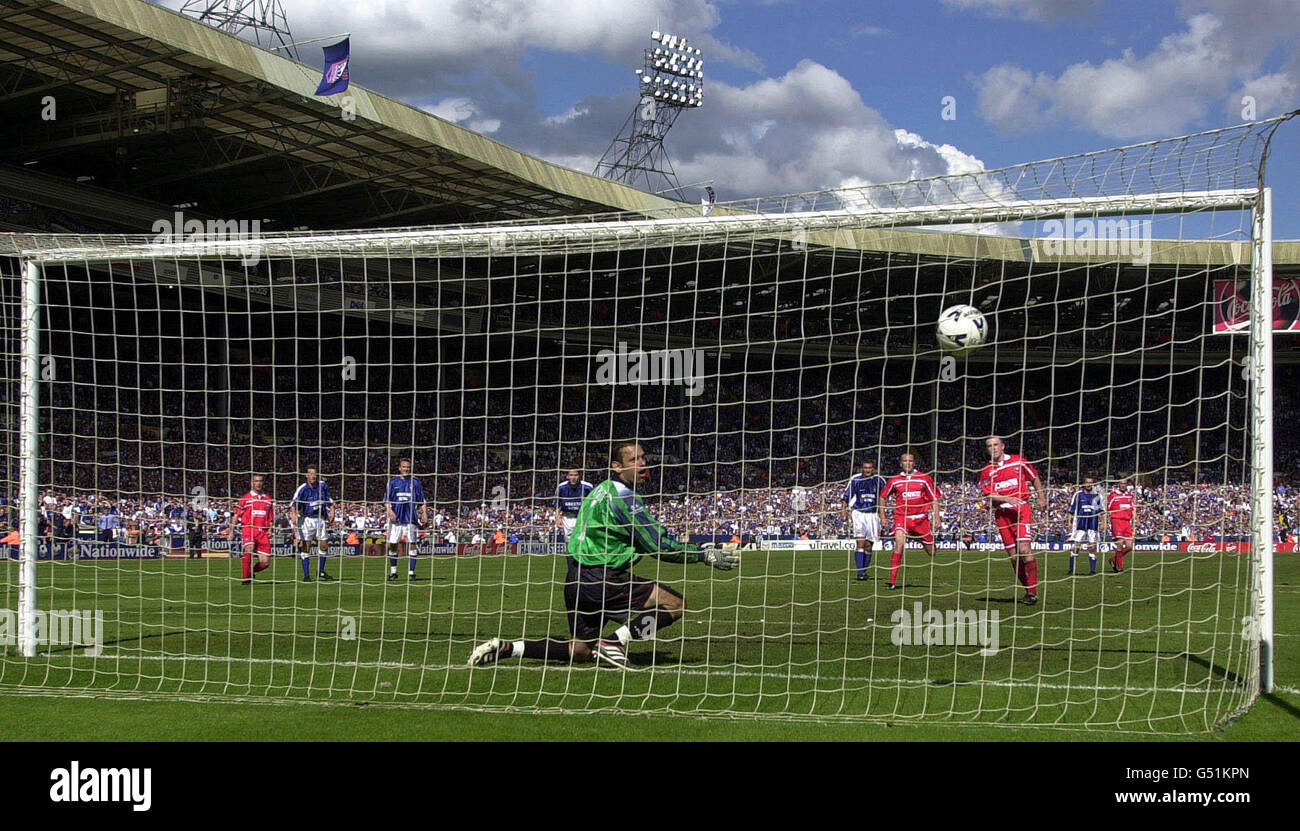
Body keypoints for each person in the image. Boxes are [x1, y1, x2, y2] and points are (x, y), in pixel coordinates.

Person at [467, 441, 738, 670]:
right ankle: (615, 641)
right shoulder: (623, 497)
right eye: (634, 459)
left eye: (643, 457)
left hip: (576, 579)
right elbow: (657, 545)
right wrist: (703, 555)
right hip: (603, 578)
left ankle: (507, 648)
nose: (642, 463)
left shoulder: (598, 490)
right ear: (617, 467)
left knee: (581, 651)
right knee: (675, 605)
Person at [979, 436, 1047, 605]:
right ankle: (1028, 590)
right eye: (989, 446)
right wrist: (1006, 499)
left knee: (1024, 549)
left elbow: (1034, 477)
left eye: (996, 445)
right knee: (1014, 557)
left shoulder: (1018, 461)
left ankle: (1032, 593)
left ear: (1002, 446)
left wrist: (1041, 496)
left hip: (1021, 510)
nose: (993, 448)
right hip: (1002, 515)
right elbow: (988, 494)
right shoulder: (987, 470)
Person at [880, 453, 941, 591]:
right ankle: (892, 581)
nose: (908, 463)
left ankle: (919, 538)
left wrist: (937, 517)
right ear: (901, 463)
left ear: (914, 463)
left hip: (921, 519)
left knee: (932, 552)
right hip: (902, 518)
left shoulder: (924, 478)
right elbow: (883, 497)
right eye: (905, 461)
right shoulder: (894, 480)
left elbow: (934, 498)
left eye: (910, 461)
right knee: (899, 545)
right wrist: (883, 516)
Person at [842, 460, 887, 580]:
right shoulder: (856, 479)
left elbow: (884, 497)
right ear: (862, 468)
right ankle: (860, 573)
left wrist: (883, 516)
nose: (868, 470)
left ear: (873, 469)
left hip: (873, 515)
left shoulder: (880, 480)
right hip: (859, 514)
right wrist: (843, 511)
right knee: (860, 542)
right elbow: (846, 496)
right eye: (865, 468)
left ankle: (864, 572)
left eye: (870, 468)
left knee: (869, 546)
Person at [290, 464, 335, 582]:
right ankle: (306, 575)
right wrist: (294, 515)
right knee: (306, 547)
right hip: (306, 519)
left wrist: (332, 512)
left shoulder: (322, 486)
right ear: (306, 476)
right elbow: (294, 504)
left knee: (324, 545)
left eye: (314, 473)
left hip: (320, 519)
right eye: (310, 474)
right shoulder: (302, 489)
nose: (312, 476)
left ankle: (320, 571)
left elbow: (329, 500)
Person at [385, 458, 427, 581]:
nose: (406, 469)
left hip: (411, 519)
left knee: (412, 544)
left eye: (408, 467)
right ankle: (393, 572)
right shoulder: (393, 482)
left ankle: (411, 572)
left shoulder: (415, 482)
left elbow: (421, 501)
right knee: (393, 545)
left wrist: (424, 513)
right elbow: (386, 500)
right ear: (399, 468)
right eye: (404, 467)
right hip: (396, 520)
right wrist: (390, 511)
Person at [236, 474, 275, 584]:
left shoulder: (268, 499)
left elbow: (270, 517)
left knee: (265, 562)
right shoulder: (245, 498)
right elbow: (236, 515)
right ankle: (245, 579)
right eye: (256, 481)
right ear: (252, 483)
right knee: (249, 549)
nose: (258, 483)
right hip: (249, 528)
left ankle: (250, 572)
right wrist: (231, 530)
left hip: (262, 531)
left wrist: (270, 529)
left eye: (260, 481)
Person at [1068, 476, 1104, 574]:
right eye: (1087, 482)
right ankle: (1071, 569)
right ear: (1084, 484)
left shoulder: (1096, 496)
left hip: (1093, 524)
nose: (1089, 484)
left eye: (1091, 483)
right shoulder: (1078, 495)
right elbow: (1071, 510)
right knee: (1076, 546)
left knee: (1092, 547)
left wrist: (1103, 523)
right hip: (1080, 524)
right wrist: (1069, 522)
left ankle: (1092, 571)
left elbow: (1101, 511)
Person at [1104, 477, 1136, 573]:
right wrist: (1105, 522)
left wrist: (1136, 519)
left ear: (1127, 485)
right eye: (1121, 483)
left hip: (1127, 522)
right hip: (1117, 520)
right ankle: (1120, 567)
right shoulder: (1113, 495)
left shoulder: (1130, 495)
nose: (1123, 485)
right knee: (1120, 544)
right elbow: (1108, 509)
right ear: (1119, 484)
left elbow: (1133, 508)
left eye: (1124, 484)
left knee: (1130, 546)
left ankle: (1114, 560)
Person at [554, 469, 594, 540]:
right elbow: (557, 505)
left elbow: (593, 504)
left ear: (579, 476)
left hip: (583, 518)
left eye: (576, 475)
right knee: (569, 543)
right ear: (567, 476)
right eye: (571, 475)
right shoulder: (561, 487)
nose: (573, 477)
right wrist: (558, 518)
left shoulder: (588, 487)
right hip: (568, 519)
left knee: (582, 542)